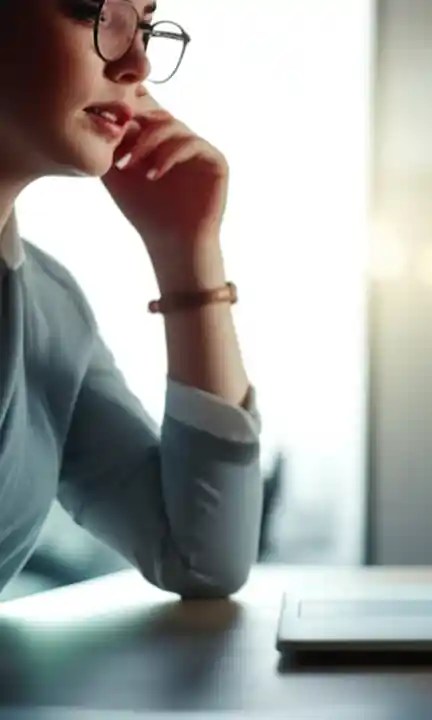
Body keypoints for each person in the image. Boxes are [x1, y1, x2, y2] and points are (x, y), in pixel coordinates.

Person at [0, 0, 261, 597]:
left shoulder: (50, 310)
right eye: (100, 14)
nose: (137, 63)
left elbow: (201, 556)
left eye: (143, 26)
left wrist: (188, 256)